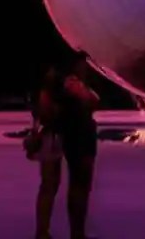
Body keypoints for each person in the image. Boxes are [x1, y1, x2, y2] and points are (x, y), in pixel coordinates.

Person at [54, 52, 100, 239]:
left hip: (80, 136)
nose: (86, 68)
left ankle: (78, 230)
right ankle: (77, 231)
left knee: (81, 185)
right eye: (83, 64)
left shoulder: (74, 84)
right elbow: (93, 99)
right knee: (80, 184)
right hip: (79, 137)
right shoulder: (72, 84)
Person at [30, 67, 67, 239]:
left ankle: (43, 229)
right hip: (49, 141)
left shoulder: (46, 94)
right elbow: (45, 118)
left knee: (50, 185)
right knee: (48, 185)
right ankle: (42, 230)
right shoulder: (46, 95)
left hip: (51, 139)